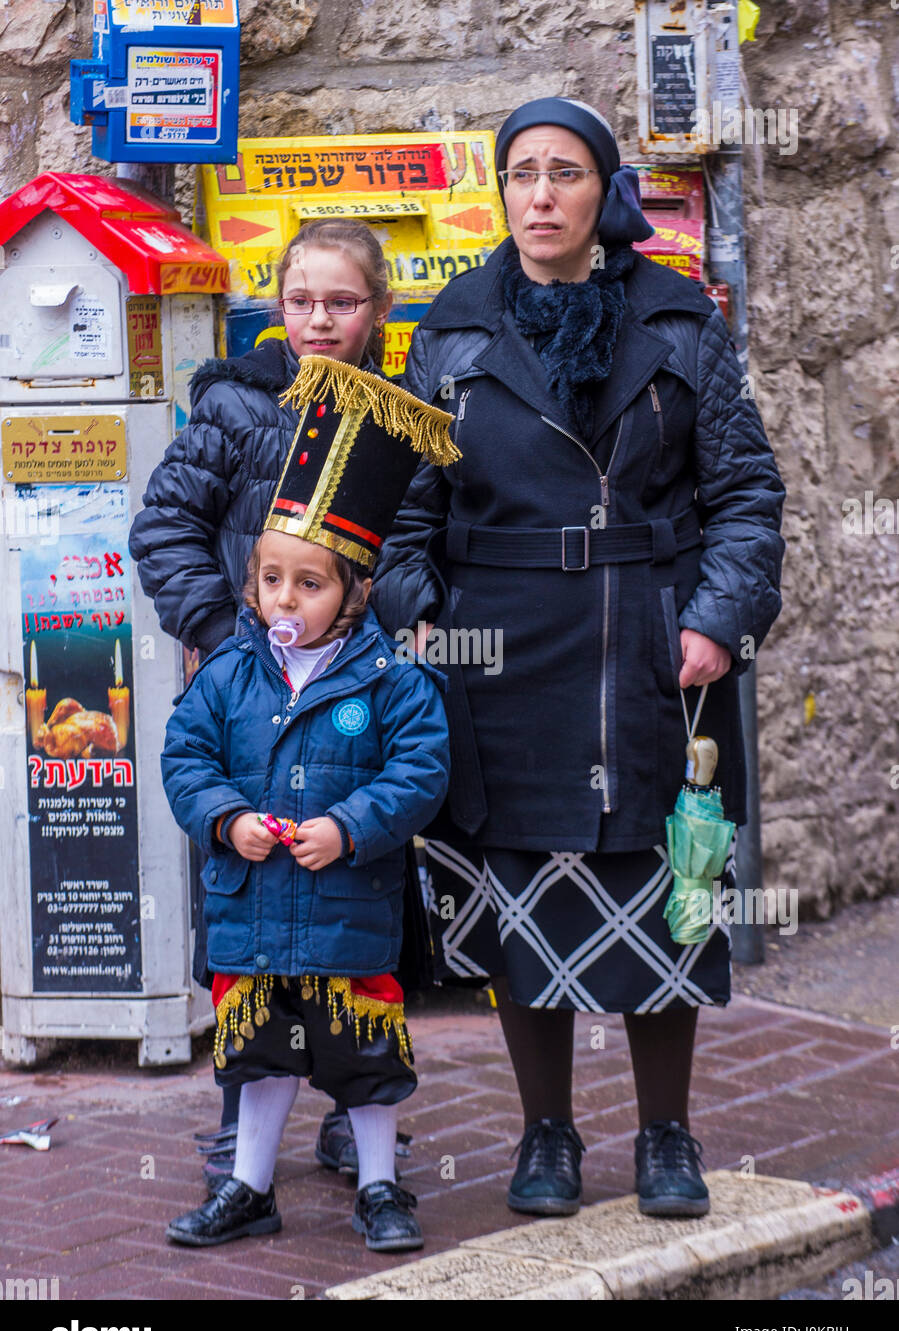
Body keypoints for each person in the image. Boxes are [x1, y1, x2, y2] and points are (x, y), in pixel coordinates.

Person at [371, 97, 786, 1219]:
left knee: (666, 892)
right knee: (520, 903)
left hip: (647, 653)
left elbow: (744, 494)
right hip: (496, 663)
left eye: (563, 173)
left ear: (604, 193)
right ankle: (544, 1133)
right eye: (519, 174)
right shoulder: (450, 332)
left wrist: (715, 616)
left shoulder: (680, 320)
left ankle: (664, 1133)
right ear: (499, 192)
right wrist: (421, 626)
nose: (539, 194)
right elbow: (397, 523)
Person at [159, 354, 455, 1248]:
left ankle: (377, 1188)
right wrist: (223, 818)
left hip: (346, 909)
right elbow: (185, 758)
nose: (288, 596)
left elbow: (418, 773)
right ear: (251, 584)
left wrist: (348, 827)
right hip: (251, 909)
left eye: (311, 582)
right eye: (272, 578)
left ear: (355, 593)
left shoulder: (393, 683)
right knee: (256, 1053)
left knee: (364, 1059)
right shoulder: (226, 677)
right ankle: (249, 1186)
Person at [129, 220, 397, 1185]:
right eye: (299, 301)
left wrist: (391, 626)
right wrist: (218, 633)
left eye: (341, 302)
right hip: (248, 700)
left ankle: (351, 1104)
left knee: (345, 908)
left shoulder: (396, 421)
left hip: (350, 704)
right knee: (247, 904)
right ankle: (244, 1118)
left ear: (378, 310)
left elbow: (418, 551)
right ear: (276, 308)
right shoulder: (236, 411)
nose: (318, 320)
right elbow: (164, 527)